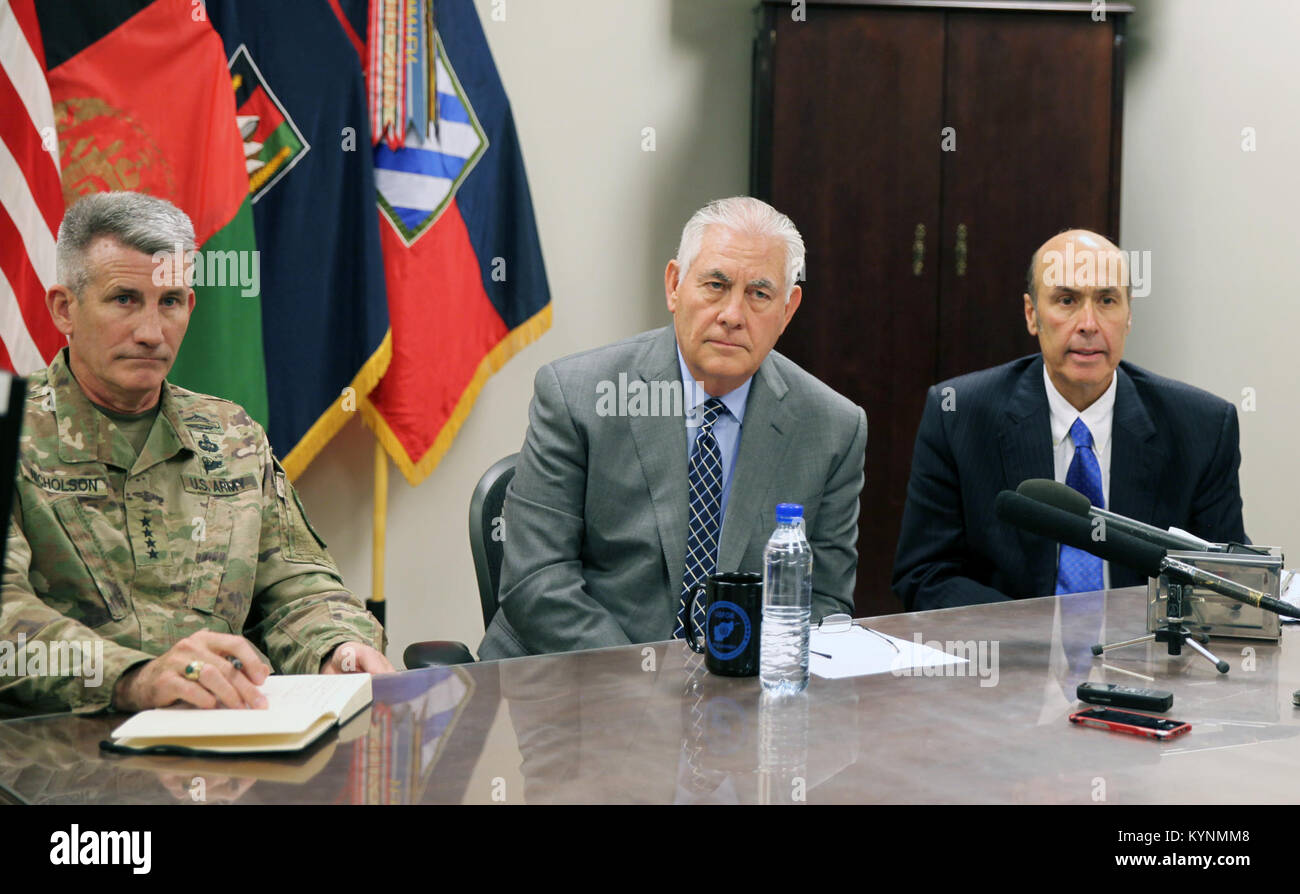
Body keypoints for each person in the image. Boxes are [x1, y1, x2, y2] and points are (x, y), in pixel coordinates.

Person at [0, 192, 392, 717]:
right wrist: (136, 678)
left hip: (223, 752)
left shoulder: (231, 435)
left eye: (170, 302)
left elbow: (297, 586)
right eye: (124, 299)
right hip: (54, 759)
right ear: (64, 308)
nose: (150, 333)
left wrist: (338, 648)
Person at [479, 196, 867, 658]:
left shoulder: (833, 428)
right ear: (674, 286)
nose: (732, 314)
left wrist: (737, 680)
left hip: (738, 698)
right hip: (576, 686)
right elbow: (536, 583)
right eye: (716, 285)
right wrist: (653, 688)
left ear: (787, 310)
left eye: (759, 294)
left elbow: (822, 603)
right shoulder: (577, 395)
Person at [892, 229, 1247, 611]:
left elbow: (1226, 582)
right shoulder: (958, 415)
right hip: (1012, 658)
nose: (1088, 323)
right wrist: (1039, 635)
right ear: (1032, 315)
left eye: (1107, 300)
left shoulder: (1203, 427)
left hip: (1146, 657)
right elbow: (924, 574)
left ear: (1128, 316)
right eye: (1067, 300)